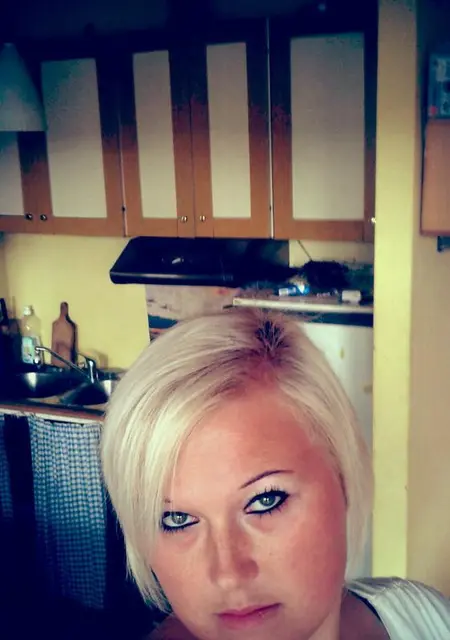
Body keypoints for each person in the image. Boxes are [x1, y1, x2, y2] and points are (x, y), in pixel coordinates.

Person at [101, 308, 450, 639]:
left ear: (343, 476)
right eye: (177, 520)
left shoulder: (422, 616)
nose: (228, 574)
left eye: (265, 501)